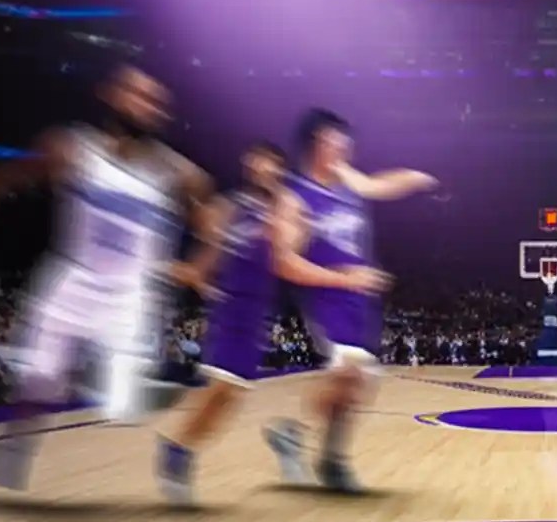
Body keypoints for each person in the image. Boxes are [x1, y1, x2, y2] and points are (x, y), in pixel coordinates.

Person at [0, 64, 214, 491]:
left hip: (130, 293)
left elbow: (213, 226)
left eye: (156, 102)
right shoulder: (72, 148)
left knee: (122, 406)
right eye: (138, 95)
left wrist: (196, 268)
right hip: (73, 278)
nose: (148, 106)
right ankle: (16, 444)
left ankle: (113, 380)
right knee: (38, 380)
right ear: (110, 95)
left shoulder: (178, 173)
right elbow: (18, 172)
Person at [155, 141, 388, 503]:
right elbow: (209, 255)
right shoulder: (230, 207)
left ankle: (181, 448)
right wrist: (193, 275)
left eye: (274, 164)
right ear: (249, 164)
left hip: (259, 312)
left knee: (228, 397)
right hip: (231, 309)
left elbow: (290, 260)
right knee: (223, 389)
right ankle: (178, 454)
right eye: (260, 161)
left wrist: (337, 273)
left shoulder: (286, 212)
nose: (266, 168)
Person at [263, 108, 437, 492]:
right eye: (336, 142)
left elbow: (378, 186)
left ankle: (329, 458)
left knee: (361, 383)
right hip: (325, 297)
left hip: (359, 298)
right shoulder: (294, 198)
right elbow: (283, 262)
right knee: (350, 372)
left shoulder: (346, 183)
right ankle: (297, 436)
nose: (345, 149)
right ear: (317, 146)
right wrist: (342, 278)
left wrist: (417, 177)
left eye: (346, 143)